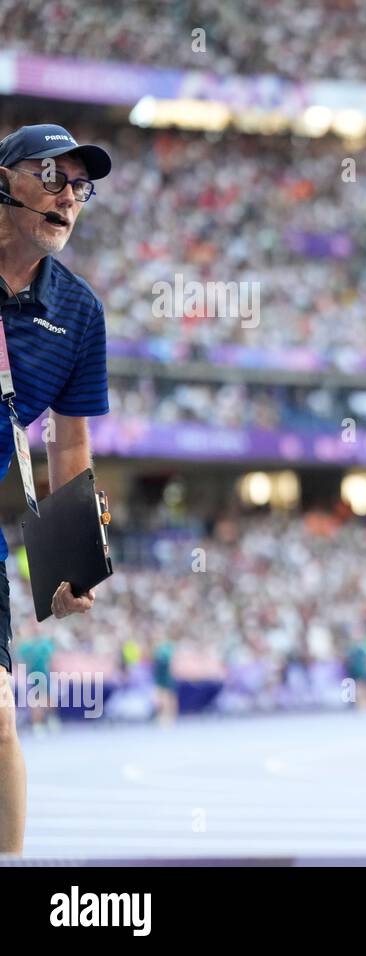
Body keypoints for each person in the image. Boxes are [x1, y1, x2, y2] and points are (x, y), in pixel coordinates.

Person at [0, 124, 112, 855]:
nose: (67, 196)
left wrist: (71, 563)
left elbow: (67, 442)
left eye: (80, 185)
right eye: (51, 176)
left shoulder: (78, 313)